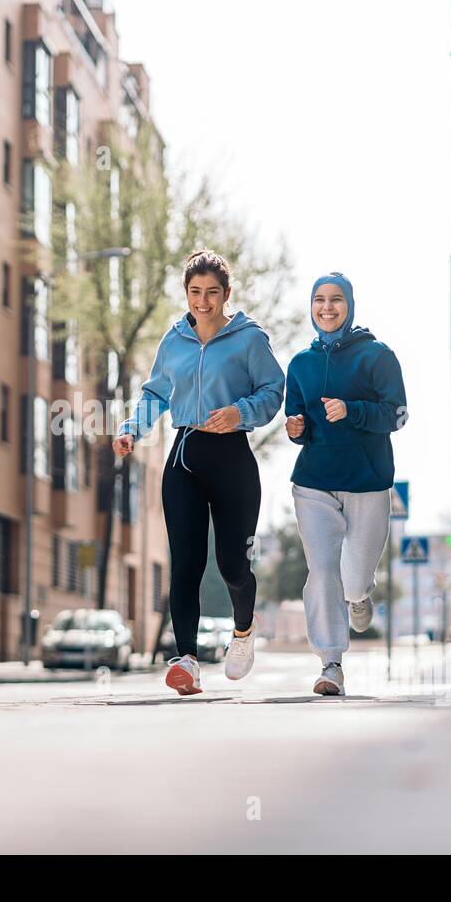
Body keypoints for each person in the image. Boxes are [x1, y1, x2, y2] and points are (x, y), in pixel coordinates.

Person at [114, 250, 285, 696]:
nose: (203, 301)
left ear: (227, 294)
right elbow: (155, 393)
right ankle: (186, 660)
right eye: (195, 292)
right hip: (183, 458)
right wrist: (131, 429)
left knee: (232, 565)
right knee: (185, 564)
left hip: (232, 458)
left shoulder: (248, 339)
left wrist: (240, 412)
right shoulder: (174, 341)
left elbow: (273, 390)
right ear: (186, 294)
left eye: (212, 293)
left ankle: (243, 631)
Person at [285, 272, 407, 695]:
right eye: (319, 299)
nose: (327, 307)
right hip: (313, 482)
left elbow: (398, 415)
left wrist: (352, 411)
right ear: (311, 306)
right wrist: (295, 427)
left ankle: (359, 596)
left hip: (367, 481)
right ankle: (330, 663)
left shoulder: (376, 356)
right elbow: (296, 420)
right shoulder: (300, 363)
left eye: (336, 299)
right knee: (321, 572)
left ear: (349, 305)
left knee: (352, 579)